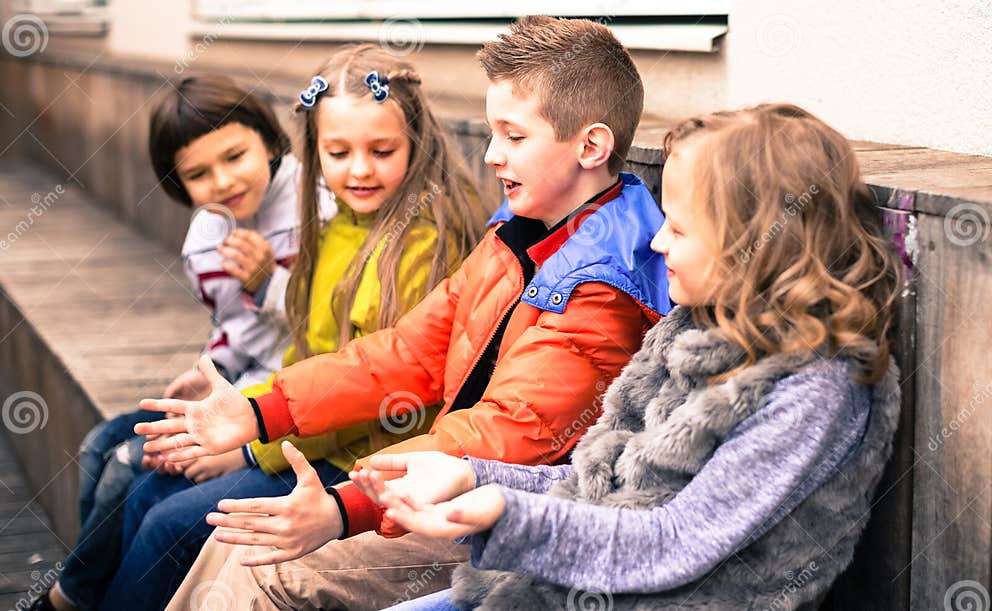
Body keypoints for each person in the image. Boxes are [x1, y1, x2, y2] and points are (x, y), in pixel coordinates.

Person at [151, 16, 672, 611]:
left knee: (269, 564)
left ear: (591, 147)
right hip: (436, 487)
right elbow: (404, 352)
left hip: (501, 520)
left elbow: (507, 433)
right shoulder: (522, 235)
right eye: (491, 133)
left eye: (514, 137)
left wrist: (353, 504)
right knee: (239, 540)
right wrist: (258, 411)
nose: (494, 155)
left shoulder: (603, 289)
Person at [356, 103, 904, 611]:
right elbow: (603, 484)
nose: (657, 242)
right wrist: (469, 477)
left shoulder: (813, 390)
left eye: (681, 228)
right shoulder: (693, 334)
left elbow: (676, 541)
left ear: (756, 244)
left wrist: (505, 516)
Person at [89, 45, 490, 611]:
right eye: (338, 152)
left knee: (168, 526)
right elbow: (311, 356)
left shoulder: (422, 243)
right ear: (313, 151)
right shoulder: (338, 220)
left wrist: (251, 449)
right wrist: (239, 416)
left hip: (362, 460)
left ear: (416, 141)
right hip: (305, 433)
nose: (359, 170)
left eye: (382, 150)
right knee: (147, 482)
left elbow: (371, 395)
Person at [35, 74, 307, 611]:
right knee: (102, 443)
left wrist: (269, 283)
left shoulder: (312, 207)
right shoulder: (207, 236)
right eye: (198, 174)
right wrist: (211, 367)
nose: (224, 181)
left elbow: (327, 331)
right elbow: (238, 327)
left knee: (132, 464)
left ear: (270, 141)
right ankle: (83, 589)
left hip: (285, 399)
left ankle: (72, 597)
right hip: (244, 385)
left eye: (235, 156)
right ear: (178, 184)